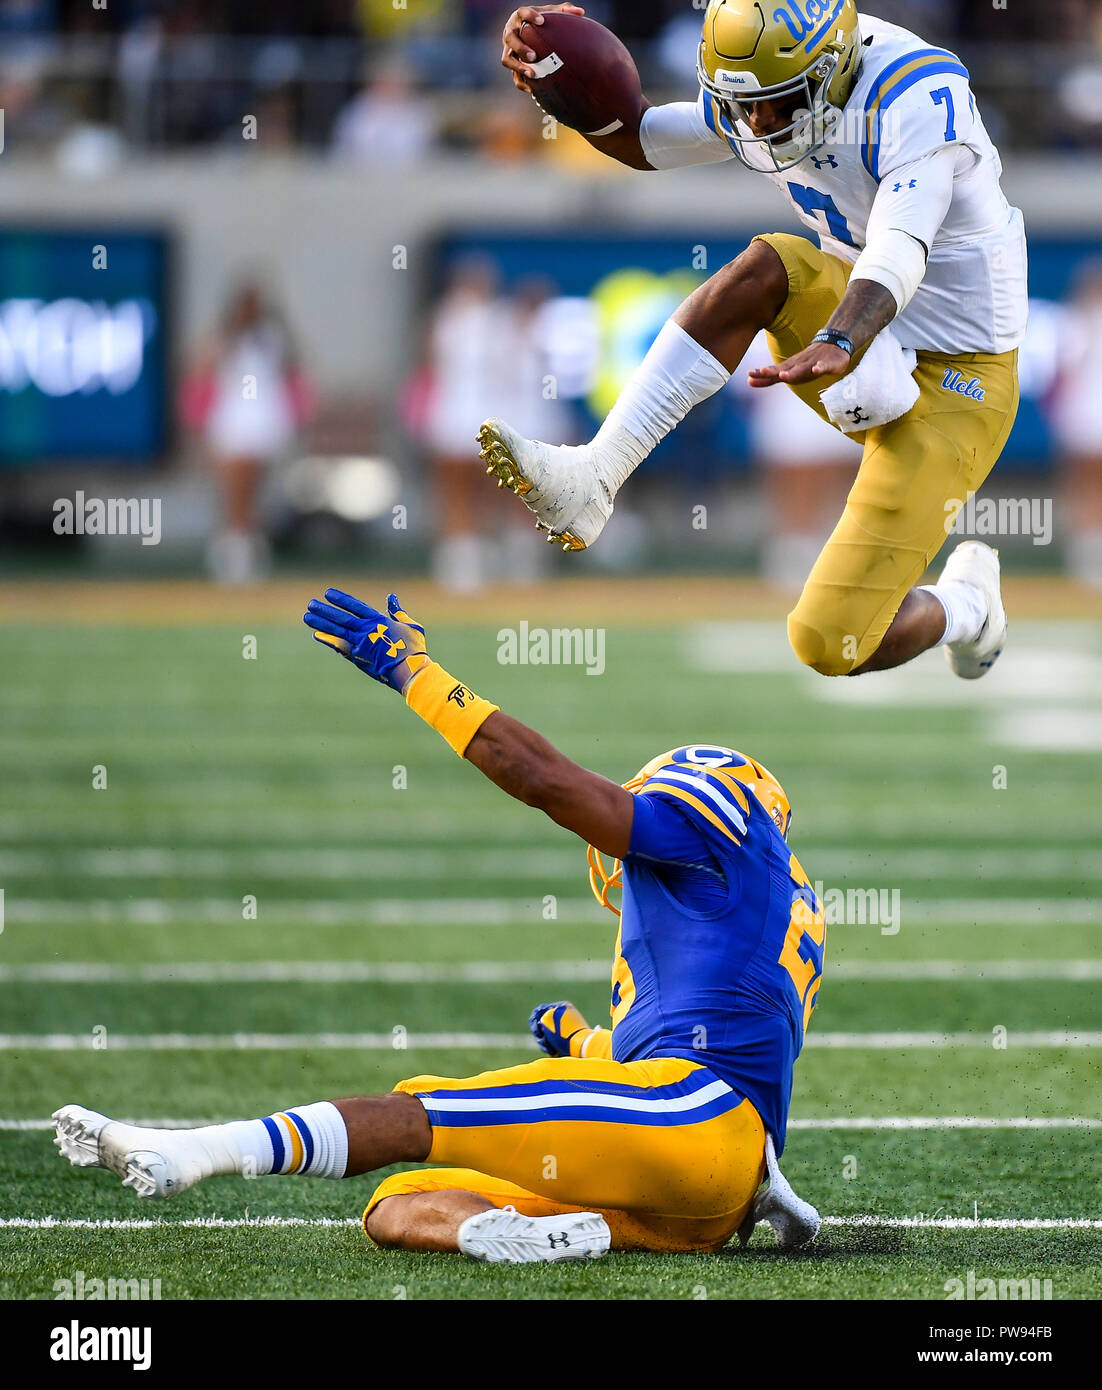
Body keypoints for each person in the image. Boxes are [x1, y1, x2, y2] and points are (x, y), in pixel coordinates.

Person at [54, 587, 823, 1264]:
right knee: (400, 1204)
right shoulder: (759, 907)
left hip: (696, 1119)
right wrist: (586, 1043)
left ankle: (190, 1151)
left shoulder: (723, 831)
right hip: (695, 1196)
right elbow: (709, 1031)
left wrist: (415, 674)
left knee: (418, 1111)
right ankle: (506, 1237)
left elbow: (543, 779)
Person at [483, 1, 1028, 681]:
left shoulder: (914, 92)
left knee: (831, 643)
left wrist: (842, 335)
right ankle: (595, 476)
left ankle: (966, 607)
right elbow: (643, 140)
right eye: (750, 107)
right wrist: (555, 73)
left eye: (780, 104)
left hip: (959, 372)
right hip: (853, 316)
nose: (762, 125)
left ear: (833, 69)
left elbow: (899, 245)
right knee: (767, 266)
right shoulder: (767, 80)